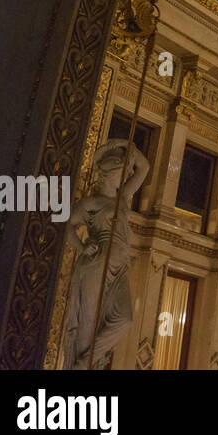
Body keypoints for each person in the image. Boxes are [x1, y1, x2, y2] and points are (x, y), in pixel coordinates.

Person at [61, 139, 151, 370]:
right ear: (109, 175)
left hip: (120, 266)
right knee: (88, 324)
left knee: (125, 319)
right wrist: (83, 247)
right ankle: (81, 364)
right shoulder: (92, 202)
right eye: (121, 174)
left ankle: (84, 362)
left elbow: (144, 168)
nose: (124, 178)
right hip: (97, 264)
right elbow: (67, 227)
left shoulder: (123, 199)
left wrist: (126, 143)